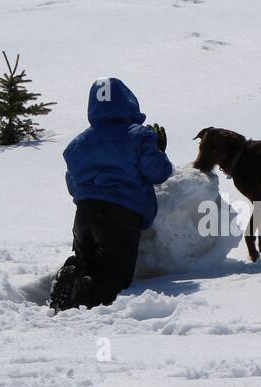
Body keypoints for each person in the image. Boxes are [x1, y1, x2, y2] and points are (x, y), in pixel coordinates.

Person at [50, 77, 173, 311]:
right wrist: (158, 149)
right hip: (120, 216)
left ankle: (73, 273)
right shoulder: (138, 135)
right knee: (116, 277)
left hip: (83, 215)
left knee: (88, 262)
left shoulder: (78, 144)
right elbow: (157, 173)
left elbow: (72, 185)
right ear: (128, 102)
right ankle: (83, 292)